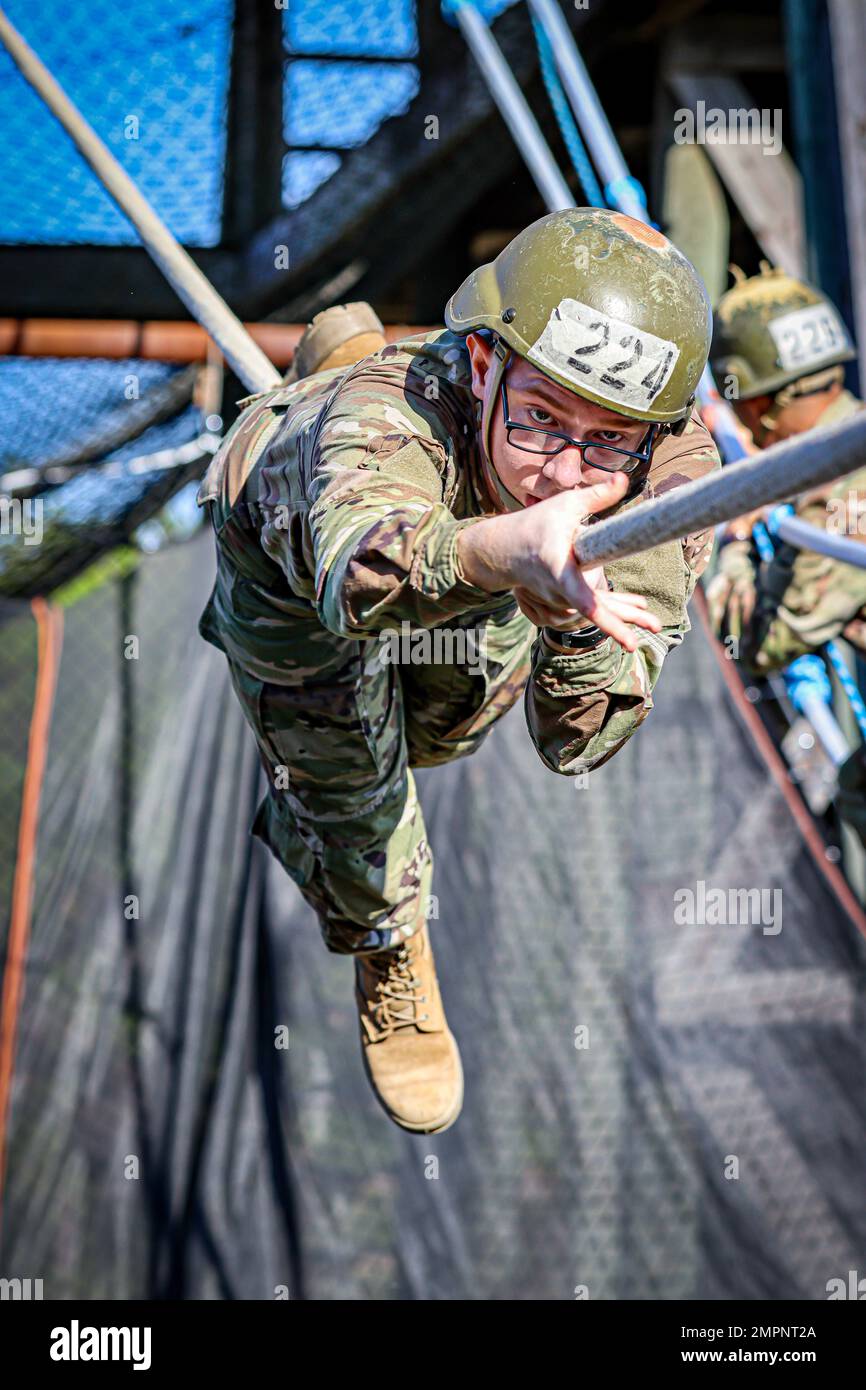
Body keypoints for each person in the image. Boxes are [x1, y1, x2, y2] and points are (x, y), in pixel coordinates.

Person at [197, 208, 719, 1134]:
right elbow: (354, 577)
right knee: (354, 776)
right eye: (543, 417)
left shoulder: (672, 471)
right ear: (484, 366)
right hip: (294, 558)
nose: (566, 469)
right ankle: (386, 933)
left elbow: (578, 739)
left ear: (655, 434)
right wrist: (498, 551)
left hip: (495, 554)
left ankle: (369, 369)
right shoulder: (383, 417)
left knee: (440, 733)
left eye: (607, 441)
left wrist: (571, 624)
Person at [706, 265, 866, 841]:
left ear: (763, 399)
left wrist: (737, 535)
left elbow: (759, 641)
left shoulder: (839, 498)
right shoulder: (847, 450)